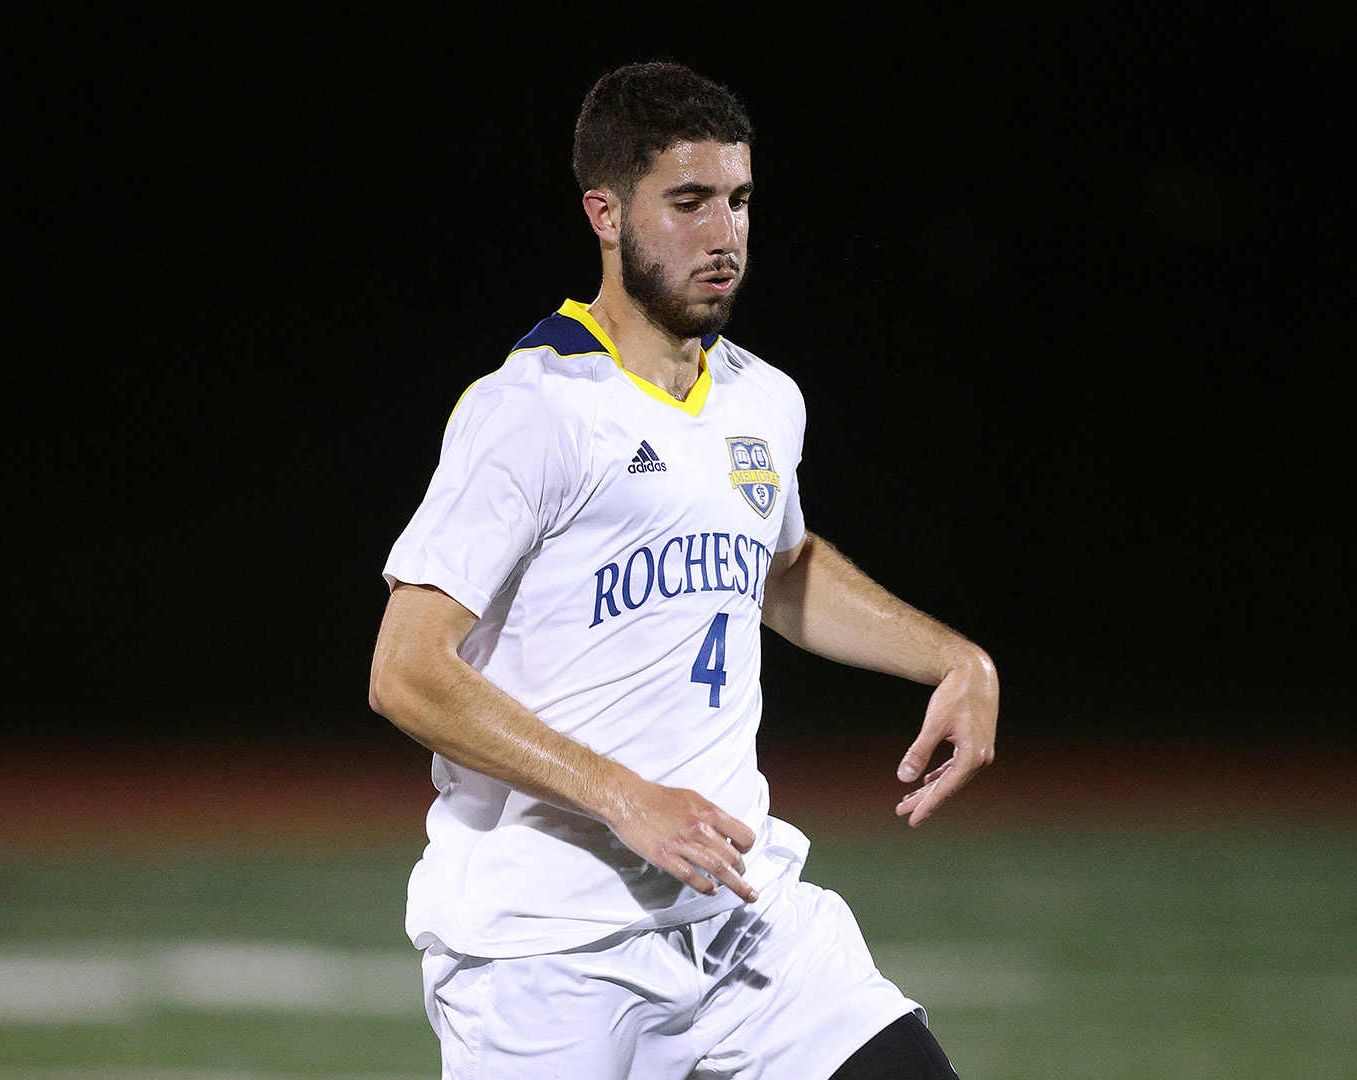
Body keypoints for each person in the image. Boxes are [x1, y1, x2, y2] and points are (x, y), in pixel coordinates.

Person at [369, 61, 999, 1080]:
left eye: (740, 200)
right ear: (606, 214)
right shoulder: (533, 409)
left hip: (740, 920)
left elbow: (779, 570)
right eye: (689, 201)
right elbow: (405, 672)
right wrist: (623, 796)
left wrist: (955, 660)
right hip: (550, 950)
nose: (725, 234)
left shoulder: (764, 399)